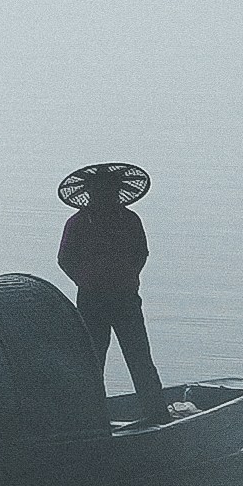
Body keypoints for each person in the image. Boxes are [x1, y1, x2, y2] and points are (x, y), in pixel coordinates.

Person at [56, 161, 162, 415]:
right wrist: (85, 281)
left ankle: (156, 412)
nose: (105, 196)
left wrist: (127, 276)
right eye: (100, 191)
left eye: (109, 191)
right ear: (90, 193)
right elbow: (65, 260)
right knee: (93, 361)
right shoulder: (78, 223)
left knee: (139, 358)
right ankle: (90, 415)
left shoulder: (129, 220)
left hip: (125, 298)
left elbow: (141, 253)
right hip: (92, 300)